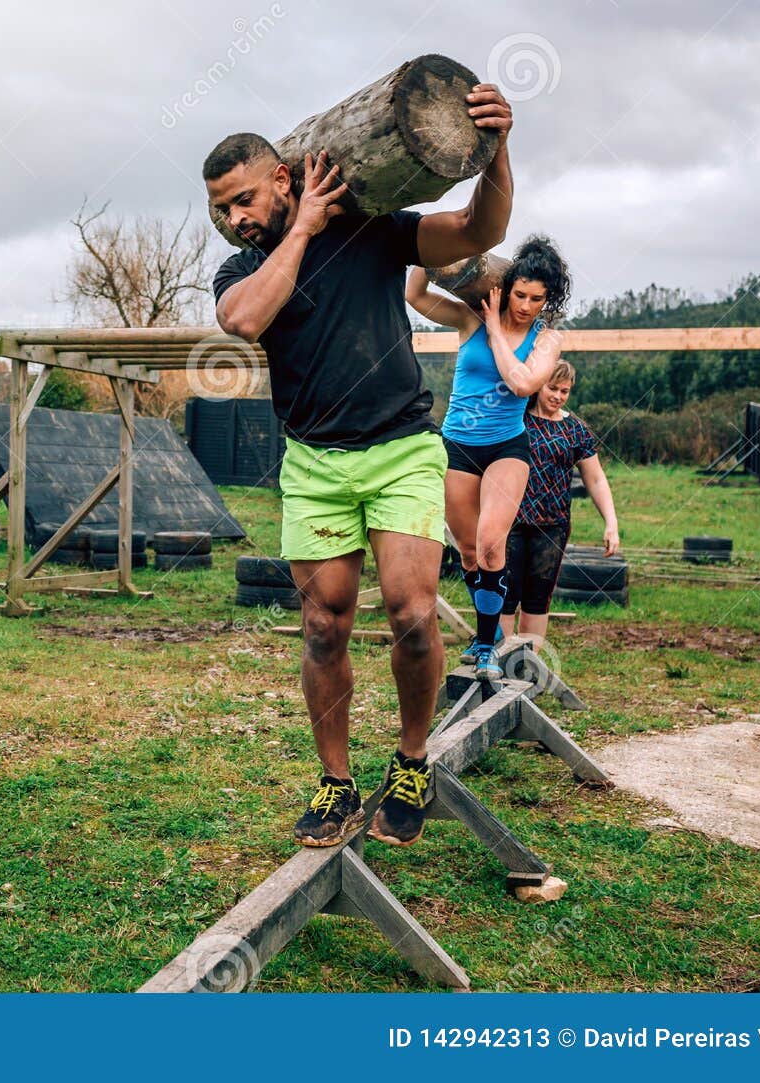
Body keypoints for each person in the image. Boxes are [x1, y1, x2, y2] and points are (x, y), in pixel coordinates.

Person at [204, 82, 514, 849]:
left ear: (283, 176)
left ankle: (412, 762)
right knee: (322, 624)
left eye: (243, 199)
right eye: (221, 210)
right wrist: (298, 230)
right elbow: (244, 321)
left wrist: (495, 151)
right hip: (313, 463)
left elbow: (481, 225)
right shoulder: (238, 272)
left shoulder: (372, 230)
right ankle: (336, 782)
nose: (235, 219)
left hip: (401, 448)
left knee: (411, 614)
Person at [404, 236, 568, 681]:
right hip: (458, 444)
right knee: (472, 552)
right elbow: (414, 295)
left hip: (507, 448)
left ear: (547, 300)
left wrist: (497, 330)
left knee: (493, 540)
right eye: (520, 295)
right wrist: (426, 247)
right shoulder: (467, 318)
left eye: (538, 299)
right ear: (505, 287)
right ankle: (486, 638)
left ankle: (487, 646)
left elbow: (522, 384)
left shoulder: (546, 340)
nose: (527, 306)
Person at [501, 361, 620, 641]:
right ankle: (497, 665)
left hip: (552, 526)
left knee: (538, 598)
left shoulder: (575, 429)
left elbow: (596, 479)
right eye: (552, 388)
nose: (557, 396)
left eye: (564, 391)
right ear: (538, 384)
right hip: (509, 522)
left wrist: (611, 522)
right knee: (505, 594)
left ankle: (527, 667)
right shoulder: (514, 420)